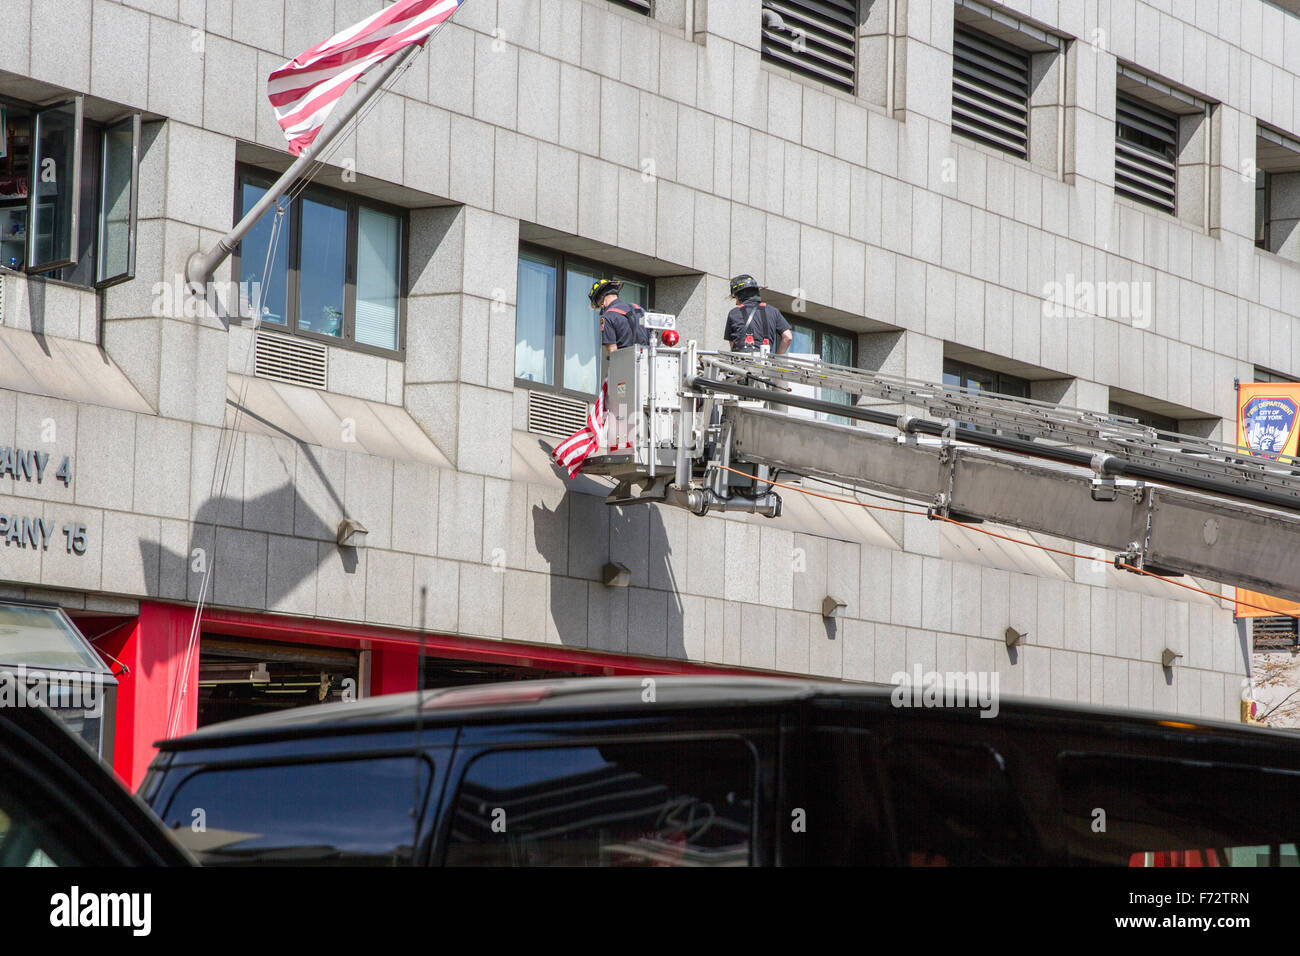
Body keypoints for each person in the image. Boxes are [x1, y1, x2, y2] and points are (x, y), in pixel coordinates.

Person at [723, 274, 792, 353]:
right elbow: (788, 337)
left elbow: (733, 347)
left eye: (736, 298)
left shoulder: (733, 313)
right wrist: (777, 358)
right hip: (764, 362)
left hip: (740, 362)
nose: (736, 302)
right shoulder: (773, 311)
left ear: (741, 295)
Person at [589, 278, 649, 353]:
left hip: (625, 361)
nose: (600, 308)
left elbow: (612, 351)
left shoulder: (608, 317)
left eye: (598, 306)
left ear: (601, 299)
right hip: (648, 361)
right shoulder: (639, 309)